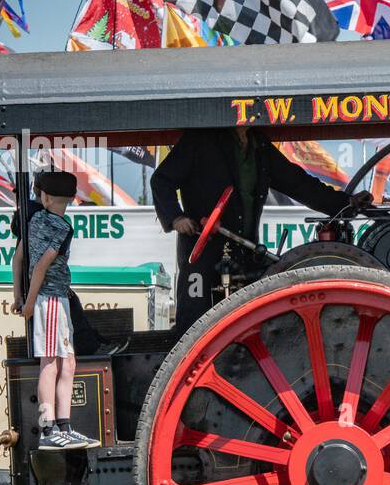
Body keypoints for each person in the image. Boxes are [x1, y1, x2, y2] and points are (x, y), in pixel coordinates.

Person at [151, 127, 373, 335]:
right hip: (201, 250)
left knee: (244, 321)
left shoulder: (260, 145)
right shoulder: (200, 139)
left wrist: (346, 203)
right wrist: (176, 217)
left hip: (243, 250)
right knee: (194, 320)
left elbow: (299, 184)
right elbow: (161, 180)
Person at [18, 171, 98, 451]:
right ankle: (49, 429)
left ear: (45, 196)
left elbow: (20, 260)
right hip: (50, 298)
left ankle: (63, 426)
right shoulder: (61, 228)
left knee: (67, 362)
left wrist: (19, 295)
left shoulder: (33, 222)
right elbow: (41, 266)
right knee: (52, 363)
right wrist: (28, 303)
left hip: (51, 298)